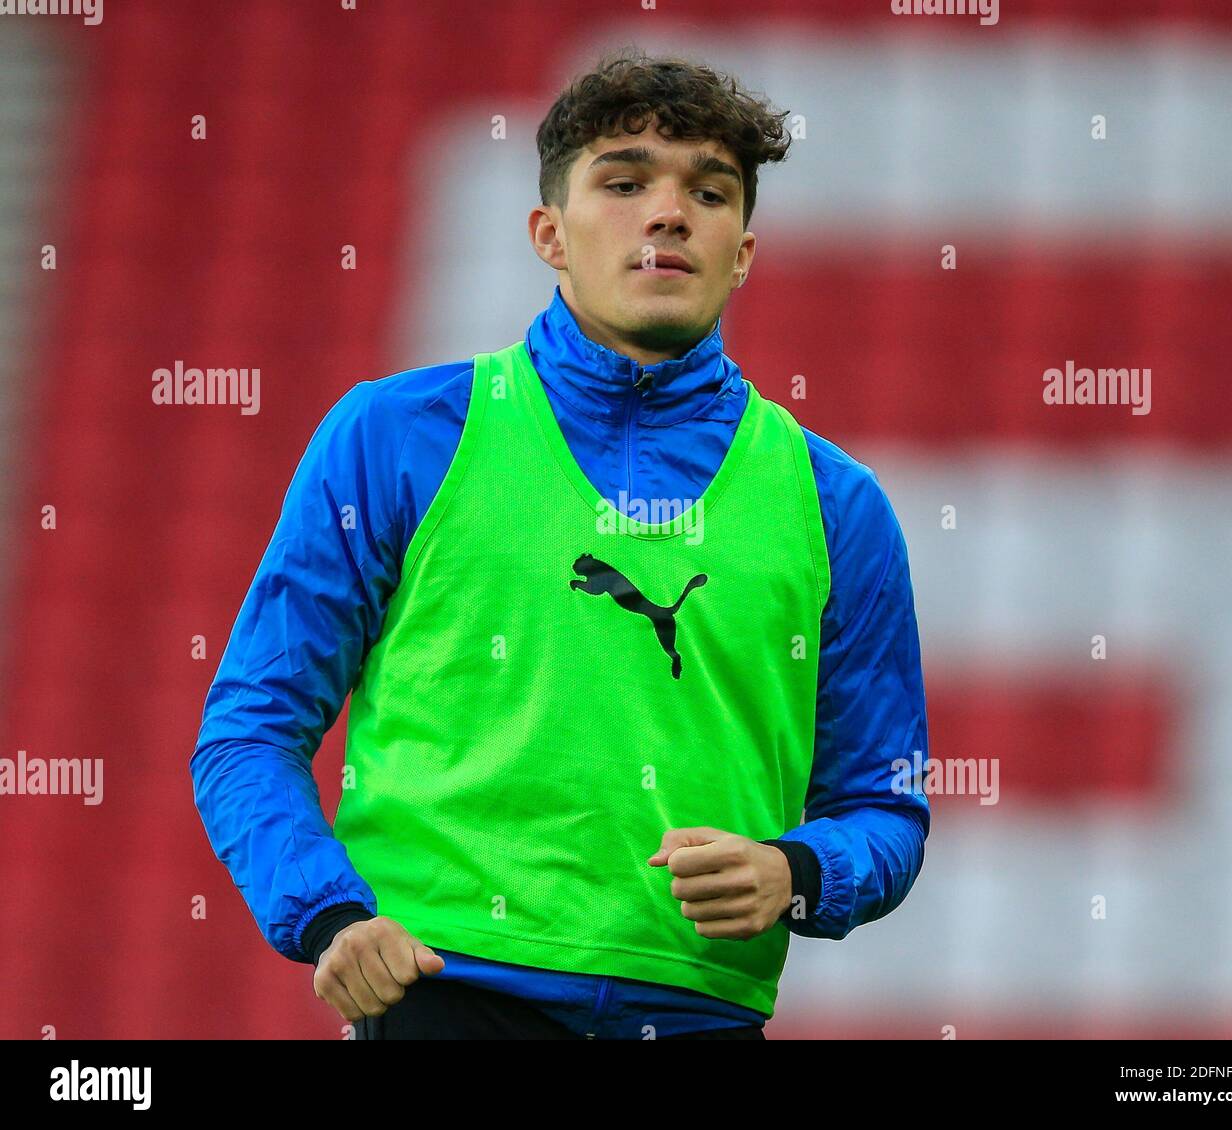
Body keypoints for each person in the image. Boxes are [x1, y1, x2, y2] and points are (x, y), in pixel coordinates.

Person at [190, 47, 931, 1041]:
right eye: (623, 182)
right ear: (549, 232)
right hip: (447, 986)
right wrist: (329, 911)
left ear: (742, 249)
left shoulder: (838, 505)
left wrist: (795, 872)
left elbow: (886, 804)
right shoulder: (398, 436)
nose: (666, 213)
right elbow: (249, 725)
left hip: (697, 1010)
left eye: (707, 193)